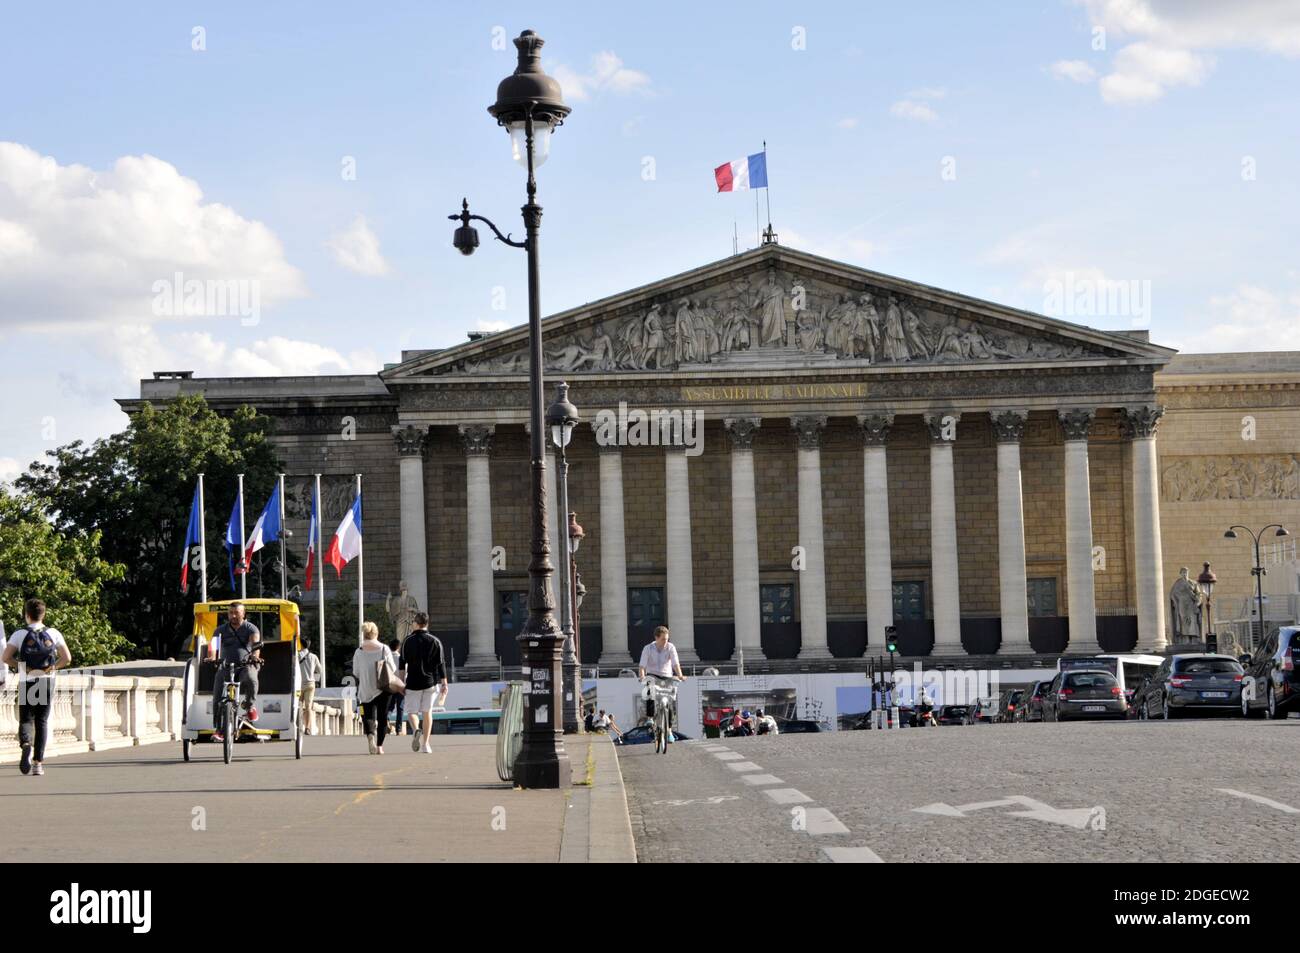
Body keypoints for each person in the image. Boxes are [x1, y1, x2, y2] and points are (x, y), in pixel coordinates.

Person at [2, 599, 72, 776]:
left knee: (26, 719)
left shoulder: (19, 634)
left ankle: (26, 744)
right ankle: (37, 763)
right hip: (47, 681)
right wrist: (52, 668)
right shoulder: (54, 633)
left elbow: (5, 657)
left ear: (27, 615)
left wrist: (24, 667)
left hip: (28, 680)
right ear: (44, 614)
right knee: (42, 721)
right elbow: (67, 658)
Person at [211, 602, 262, 743]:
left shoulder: (250, 628)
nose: (233, 615)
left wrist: (254, 656)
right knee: (217, 697)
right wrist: (212, 657)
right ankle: (219, 730)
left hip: (246, 665)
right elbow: (213, 646)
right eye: (230, 613)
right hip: (226, 666)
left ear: (243, 613)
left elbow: (255, 644)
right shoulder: (220, 629)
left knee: (251, 678)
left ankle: (249, 706)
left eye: (236, 613)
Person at [399, 612, 448, 754]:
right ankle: (426, 744)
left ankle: (416, 730)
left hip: (413, 682)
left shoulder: (407, 641)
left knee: (412, 712)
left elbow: (402, 664)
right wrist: (444, 683)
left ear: (416, 623)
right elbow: (441, 664)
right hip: (430, 683)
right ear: (426, 624)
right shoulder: (435, 641)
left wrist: (402, 683)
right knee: (427, 712)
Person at [353, 622, 398, 754]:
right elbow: (392, 668)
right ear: (376, 634)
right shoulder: (384, 649)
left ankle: (370, 735)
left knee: (367, 715)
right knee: (383, 717)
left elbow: (355, 672)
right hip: (383, 687)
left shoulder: (358, 651)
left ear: (364, 635)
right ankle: (379, 746)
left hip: (366, 688)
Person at [637, 625, 685, 742]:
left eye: (667, 639)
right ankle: (650, 718)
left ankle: (669, 731)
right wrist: (642, 676)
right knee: (649, 689)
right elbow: (642, 666)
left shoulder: (670, 647)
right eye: (663, 639)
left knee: (669, 703)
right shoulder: (648, 648)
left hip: (667, 676)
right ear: (656, 638)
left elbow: (675, 664)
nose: (665, 642)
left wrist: (680, 675)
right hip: (652, 675)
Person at [297, 636, 323, 735]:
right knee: (308, 707)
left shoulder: (297, 655)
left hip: (299, 685)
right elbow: (320, 670)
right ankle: (307, 727)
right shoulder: (313, 656)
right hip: (310, 684)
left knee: (298, 705)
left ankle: (298, 725)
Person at [389, 640, 406, 734]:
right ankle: (398, 730)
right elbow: (405, 672)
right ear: (398, 647)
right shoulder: (401, 658)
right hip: (400, 685)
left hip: (390, 686)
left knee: (390, 706)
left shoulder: (386, 658)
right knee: (400, 708)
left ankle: (387, 719)